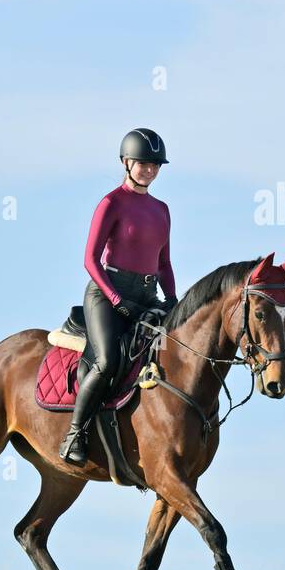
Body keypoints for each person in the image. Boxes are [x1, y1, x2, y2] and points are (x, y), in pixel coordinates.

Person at [59, 128, 178, 465]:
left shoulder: (162, 210)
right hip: (106, 294)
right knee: (108, 360)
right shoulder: (111, 203)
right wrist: (114, 299)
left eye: (156, 165)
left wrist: (171, 299)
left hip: (146, 295)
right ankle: (75, 434)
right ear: (126, 163)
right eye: (143, 163)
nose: (150, 170)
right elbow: (89, 260)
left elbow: (164, 263)